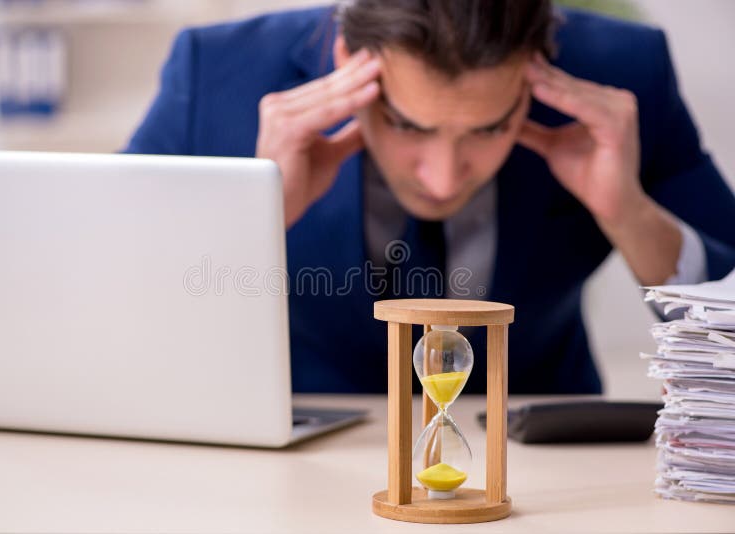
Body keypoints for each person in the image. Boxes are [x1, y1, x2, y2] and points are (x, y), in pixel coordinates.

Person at [124, 1, 735, 394]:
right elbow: (109, 307)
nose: (443, 179)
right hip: (295, 447)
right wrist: (253, 221)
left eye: (489, 128)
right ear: (348, 63)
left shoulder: (624, 73)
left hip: (548, 451)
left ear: (536, 68)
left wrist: (627, 212)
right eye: (409, 126)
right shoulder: (216, 73)